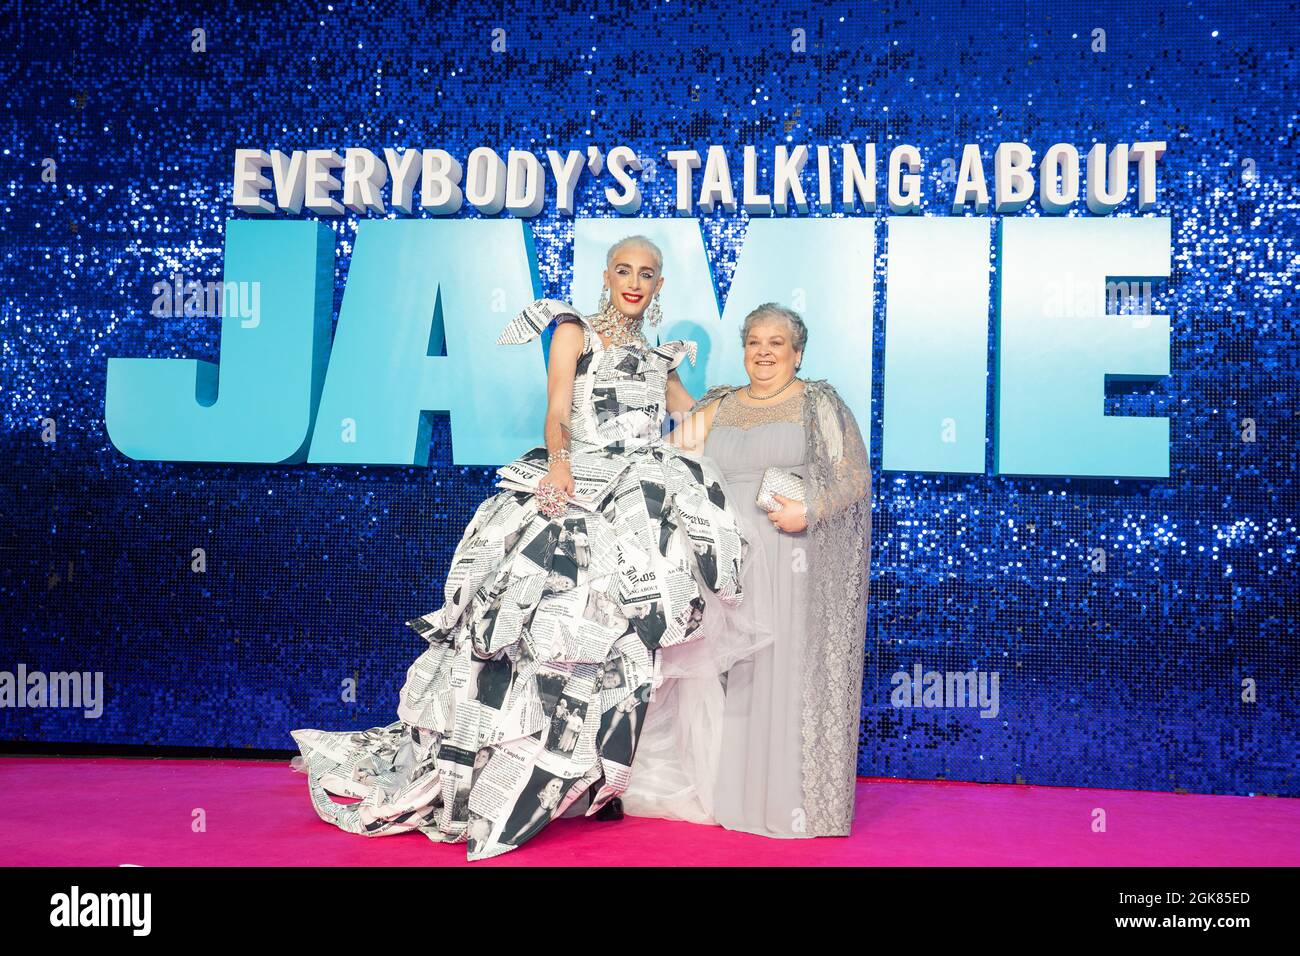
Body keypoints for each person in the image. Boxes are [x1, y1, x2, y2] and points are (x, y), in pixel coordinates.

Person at [289, 236, 755, 861]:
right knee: (542, 624)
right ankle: (512, 764)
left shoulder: (659, 358)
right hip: (580, 488)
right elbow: (557, 409)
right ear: (607, 275)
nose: (634, 282)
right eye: (624, 270)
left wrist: (750, 406)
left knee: (629, 636)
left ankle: (600, 775)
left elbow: (691, 421)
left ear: (661, 283)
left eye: (647, 273)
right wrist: (560, 465)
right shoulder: (574, 330)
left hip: (641, 504)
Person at [621, 302, 872, 838]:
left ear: (797, 353)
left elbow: (852, 473)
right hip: (723, 563)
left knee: (782, 673)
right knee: (722, 674)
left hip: (789, 558)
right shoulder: (722, 406)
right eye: (754, 341)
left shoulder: (818, 402)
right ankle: (723, 794)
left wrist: (810, 509)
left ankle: (783, 803)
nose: (763, 351)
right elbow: (666, 457)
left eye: (776, 342)